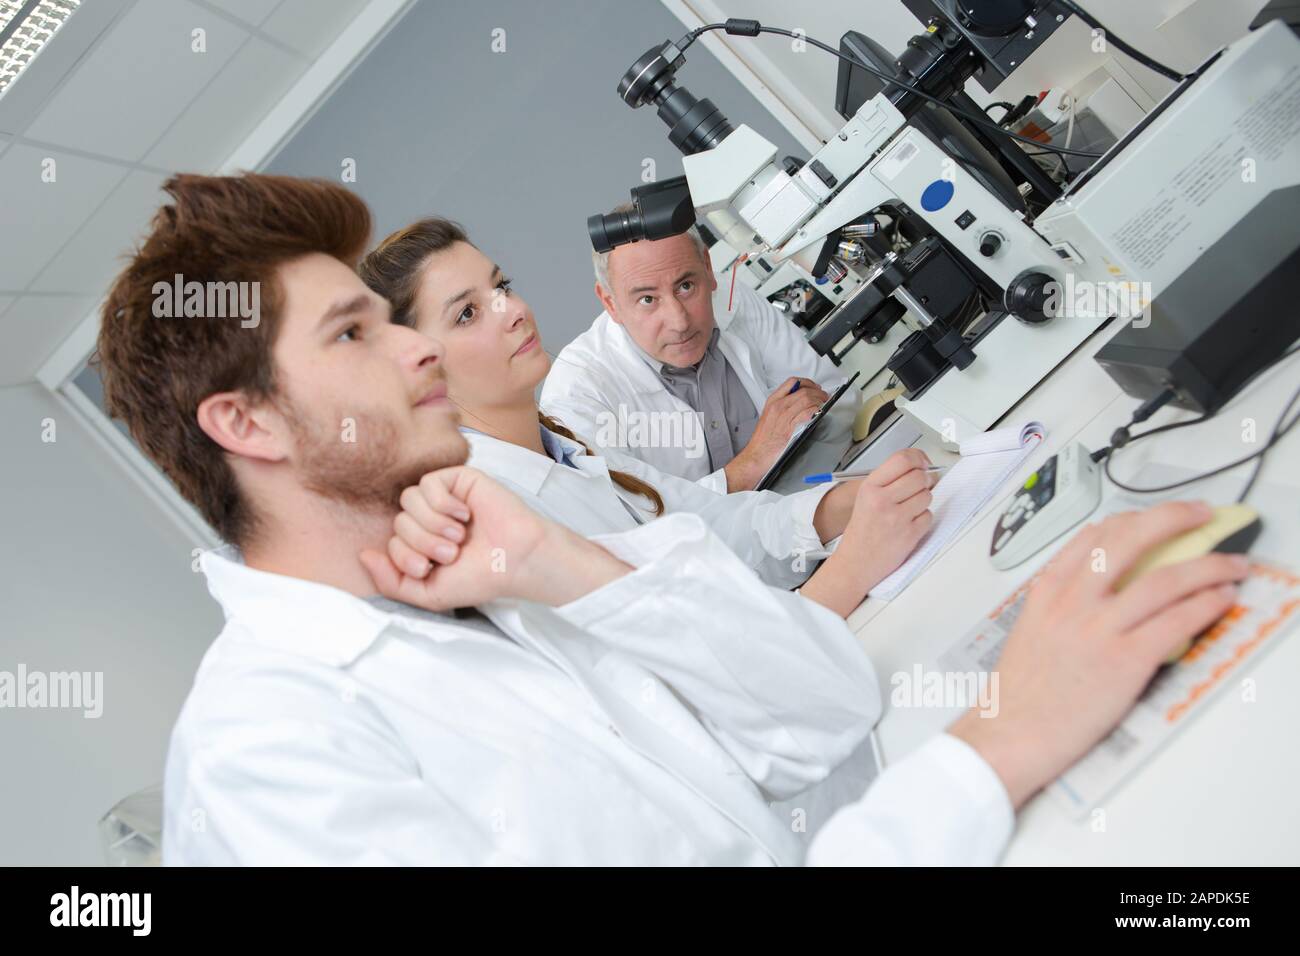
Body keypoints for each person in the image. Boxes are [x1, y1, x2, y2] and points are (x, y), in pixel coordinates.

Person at [97, 173, 1247, 865]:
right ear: (246, 423)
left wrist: (566, 562)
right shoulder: (270, 755)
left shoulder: (482, 577)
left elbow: (822, 707)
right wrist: (997, 745)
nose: (414, 347)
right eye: (353, 333)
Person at [356, 217, 934, 615]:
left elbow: (710, 528)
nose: (514, 312)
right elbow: (683, 658)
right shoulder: (493, 518)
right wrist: (848, 572)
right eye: (467, 315)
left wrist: (848, 503)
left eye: (502, 286)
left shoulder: (567, 447)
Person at [541, 211, 858, 492]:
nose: (679, 322)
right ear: (610, 303)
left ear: (707, 267)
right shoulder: (579, 390)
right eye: (648, 300)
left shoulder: (734, 299)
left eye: (685, 286)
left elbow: (834, 402)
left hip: (815, 509)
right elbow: (642, 531)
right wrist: (755, 460)